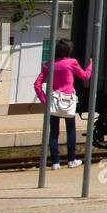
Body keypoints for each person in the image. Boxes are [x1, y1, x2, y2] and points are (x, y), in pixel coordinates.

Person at [34, 39, 92, 170]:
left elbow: (37, 84)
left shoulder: (49, 65)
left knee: (53, 133)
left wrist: (44, 100)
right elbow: (84, 76)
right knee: (71, 130)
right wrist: (91, 66)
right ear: (69, 50)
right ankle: (71, 160)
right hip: (68, 101)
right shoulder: (72, 62)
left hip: (54, 101)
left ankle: (55, 162)